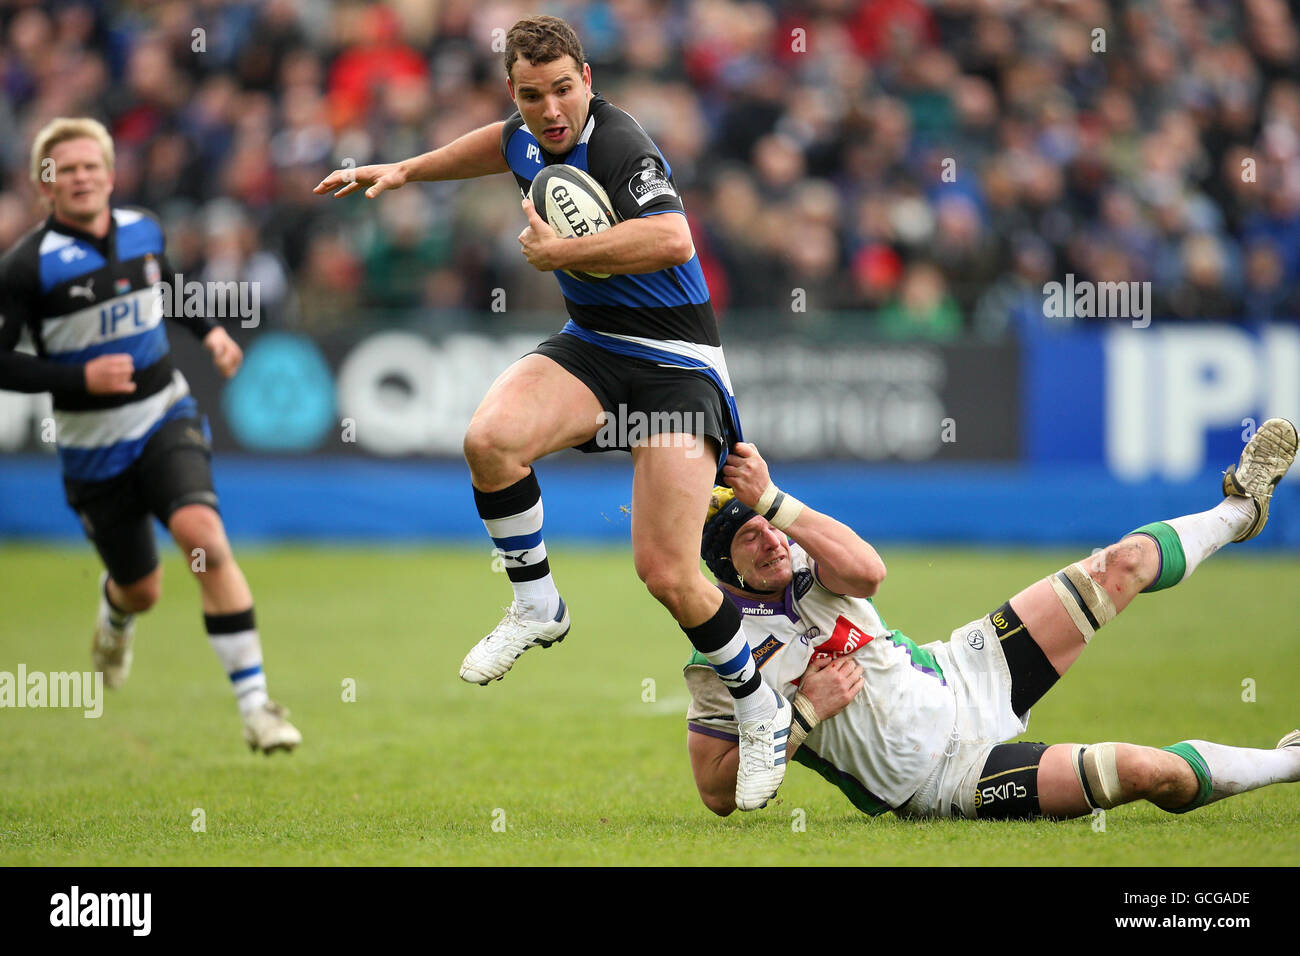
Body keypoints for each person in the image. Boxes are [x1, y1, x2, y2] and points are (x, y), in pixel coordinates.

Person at [315, 15, 788, 808]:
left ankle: (757, 704)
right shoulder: (526, 131)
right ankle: (537, 603)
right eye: (533, 95)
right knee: (490, 440)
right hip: (597, 344)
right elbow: (496, 144)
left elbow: (673, 239)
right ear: (516, 91)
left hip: (677, 365)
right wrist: (407, 169)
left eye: (564, 88)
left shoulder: (620, 143)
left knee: (667, 572)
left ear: (589, 79)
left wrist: (561, 254)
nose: (551, 108)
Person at [685, 423, 1300, 819]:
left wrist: (772, 501)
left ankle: (1238, 510)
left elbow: (869, 574)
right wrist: (804, 714)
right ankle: (1289, 763)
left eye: (769, 527)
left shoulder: (806, 561)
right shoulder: (719, 654)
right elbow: (716, 792)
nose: (771, 542)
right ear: (721, 563)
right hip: (942, 781)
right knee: (1146, 772)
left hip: (967, 669)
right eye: (748, 537)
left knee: (1124, 563)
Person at [0, 117, 301, 754]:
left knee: (204, 540)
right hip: (92, 449)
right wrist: (75, 375)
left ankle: (257, 709)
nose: (81, 177)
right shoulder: (26, 267)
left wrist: (211, 332)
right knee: (142, 587)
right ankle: (115, 616)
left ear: (110, 174)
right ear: (43, 185)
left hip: (166, 414)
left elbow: (167, 289)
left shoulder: (141, 229)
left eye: (91, 166)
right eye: (65, 170)